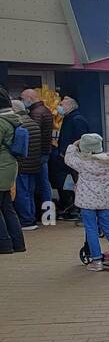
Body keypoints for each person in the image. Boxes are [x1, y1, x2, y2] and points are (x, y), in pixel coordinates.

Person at [64, 133, 109, 270]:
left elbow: (68, 159)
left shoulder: (83, 163)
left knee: (91, 229)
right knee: (108, 228)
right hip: (105, 201)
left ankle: (96, 260)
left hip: (87, 203)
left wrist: (74, 145)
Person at [20, 88, 55, 225]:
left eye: (23, 98)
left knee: (35, 185)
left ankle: (42, 216)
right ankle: (48, 216)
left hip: (38, 153)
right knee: (45, 184)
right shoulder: (45, 110)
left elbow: (33, 135)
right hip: (45, 152)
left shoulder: (35, 113)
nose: (22, 100)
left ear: (29, 98)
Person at [0, 89, 28, 253]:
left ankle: (4, 244)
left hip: (1, 167)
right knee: (7, 207)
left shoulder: (1, 122)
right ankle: (18, 243)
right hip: (9, 166)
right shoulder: (14, 119)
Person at [54, 94, 91, 219]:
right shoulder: (70, 118)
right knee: (68, 183)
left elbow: (82, 138)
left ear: (70, 106)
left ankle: (75, 207)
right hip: (67, 156)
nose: (59, 107)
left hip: (74, 157)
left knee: (75, 182)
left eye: (62, 105)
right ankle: (71, 206)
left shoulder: (77, 119)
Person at [7, 98, 41, 229]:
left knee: (22, 193)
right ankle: (31, 217)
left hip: (22, 164)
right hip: (33, 164)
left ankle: (26, 220)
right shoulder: (32, 122)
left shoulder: (19, 125)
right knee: (29, 192)